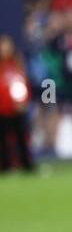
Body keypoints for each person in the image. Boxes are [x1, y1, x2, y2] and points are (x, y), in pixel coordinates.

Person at [0, 35, 34, 173]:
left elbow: (23, 85)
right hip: (2, 109)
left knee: (21, 137)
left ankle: (26, 164)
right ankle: (5, 166)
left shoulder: (17, 65)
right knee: (2, 140)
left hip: (17, 109)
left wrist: (23, 102)